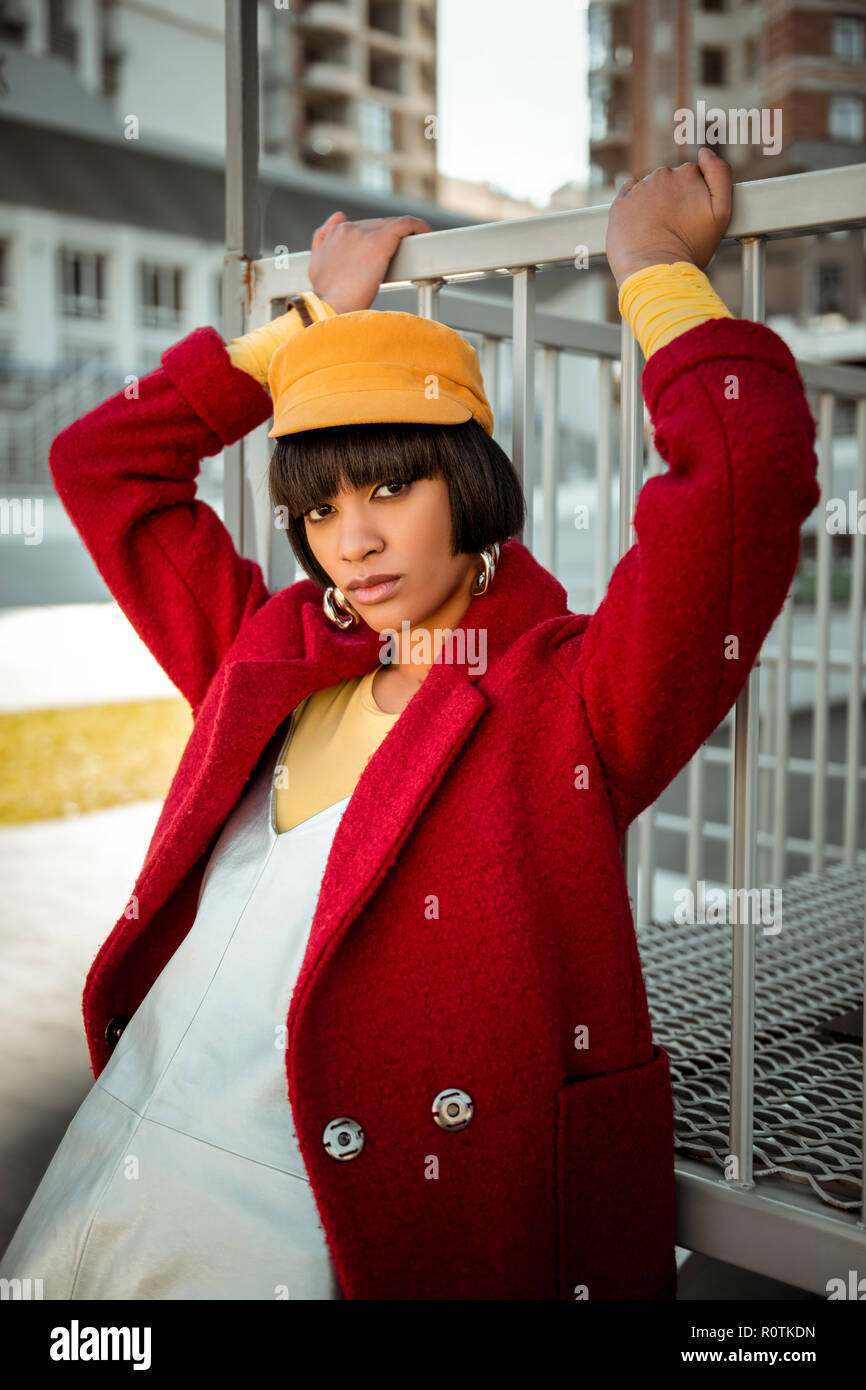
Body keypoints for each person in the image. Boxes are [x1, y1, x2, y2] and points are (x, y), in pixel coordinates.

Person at [0, 149, 820, 1301]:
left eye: (392, 488)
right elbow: (103, 468)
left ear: (467, 481)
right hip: (123, 1169)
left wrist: (652, 274)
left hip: (348, 1230)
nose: (354, 541)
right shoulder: (266, 649)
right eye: (320, 504)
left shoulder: (570, 697)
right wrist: (304, 328)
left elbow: (745, 474)